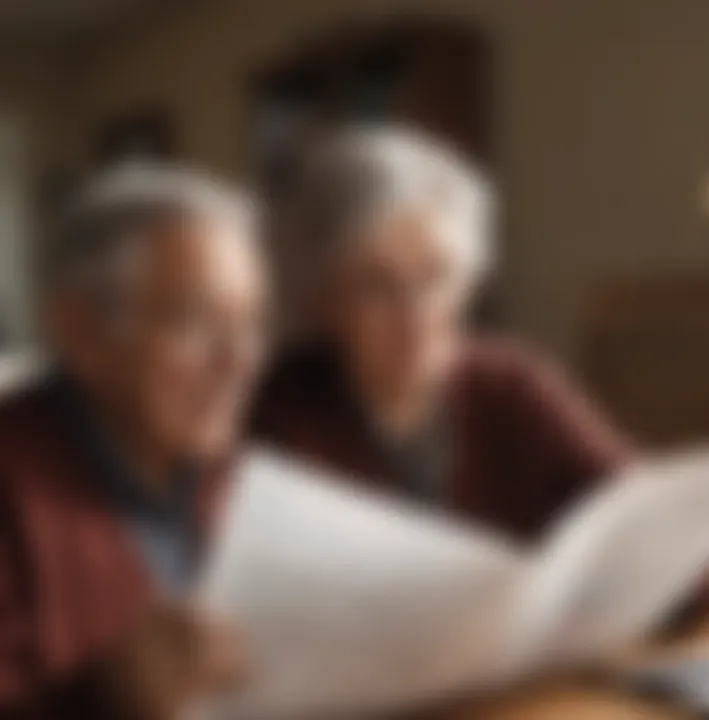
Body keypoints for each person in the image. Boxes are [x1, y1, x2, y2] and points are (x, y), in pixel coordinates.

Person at [253, 126, 632, 541]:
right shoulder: (278, 409)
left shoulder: (512, 387)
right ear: (322, 298)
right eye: (377, 285)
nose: (415, 314)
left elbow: (639, 512)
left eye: (436, 276)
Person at [0, 166, 267, 718]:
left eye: (249, 323)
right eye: (196, 321)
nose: (238, 361)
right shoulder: (14, 483)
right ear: (82, 333)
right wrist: (106, 697)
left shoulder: (239, 476)